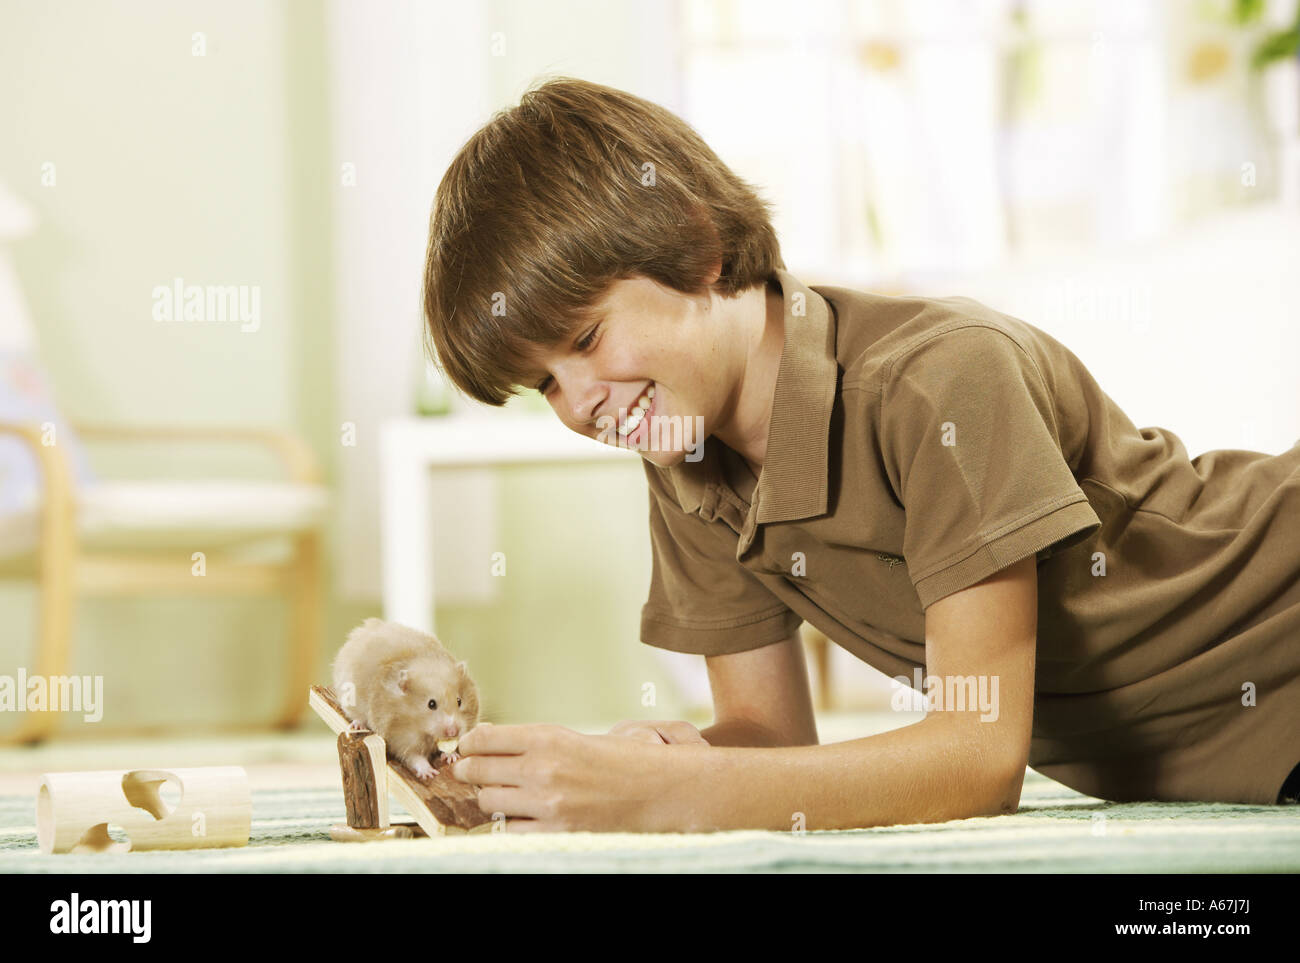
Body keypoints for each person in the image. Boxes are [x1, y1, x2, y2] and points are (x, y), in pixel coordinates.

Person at [423, 76, 1300, 832]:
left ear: (695, 251)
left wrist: (671, 793)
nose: (579, 406)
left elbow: (977, 756)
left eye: (584, 337)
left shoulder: (941, 378)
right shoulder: (685, 461)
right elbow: (768, 743)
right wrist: (617, 767)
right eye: (543, 384)